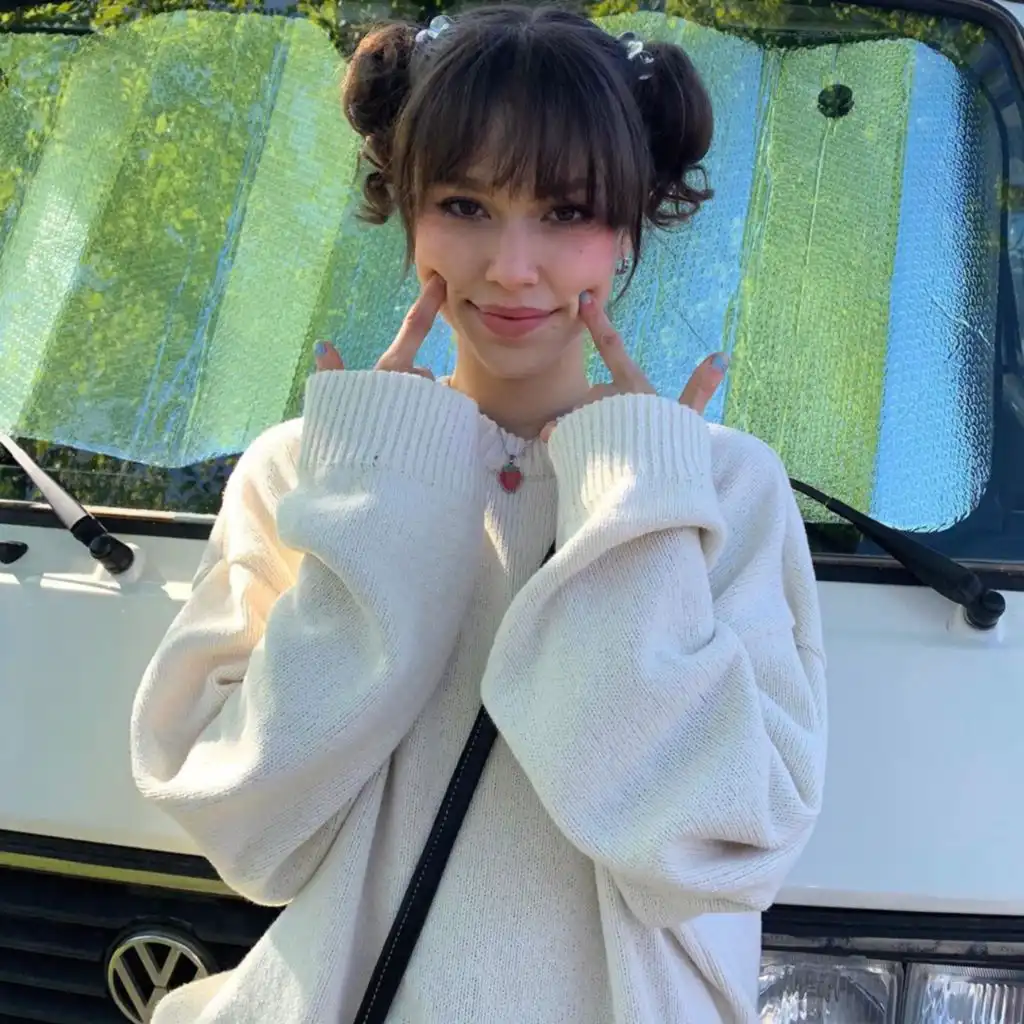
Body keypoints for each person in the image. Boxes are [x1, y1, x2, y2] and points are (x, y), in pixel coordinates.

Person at [130, 5, 828, 1022]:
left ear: (628, 226)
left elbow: (718, 853)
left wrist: (634, 498)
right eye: (464, 203)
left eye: (566, 210)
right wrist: (376, 494)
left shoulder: (723, 488)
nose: (510, 264)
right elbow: (250, 829)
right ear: (406, 211)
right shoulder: (306, 470)